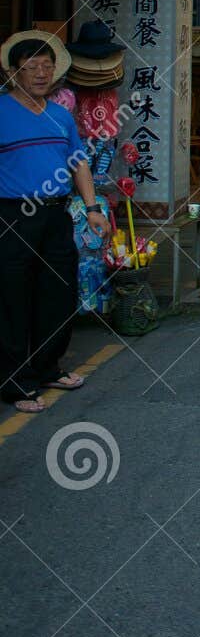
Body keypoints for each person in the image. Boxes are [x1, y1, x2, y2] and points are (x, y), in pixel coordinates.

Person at [0, 31, 110, 412]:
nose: (41, 74)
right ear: (14, 74)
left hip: (56, 213)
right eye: (32, 67)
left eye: (47, 67)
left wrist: (93, 208)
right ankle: (15, 382)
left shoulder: (61, 116)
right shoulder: (1, 111)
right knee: (13, 297)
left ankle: (48, 367)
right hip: (13, 214)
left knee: (58, 290)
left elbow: (79, 163)